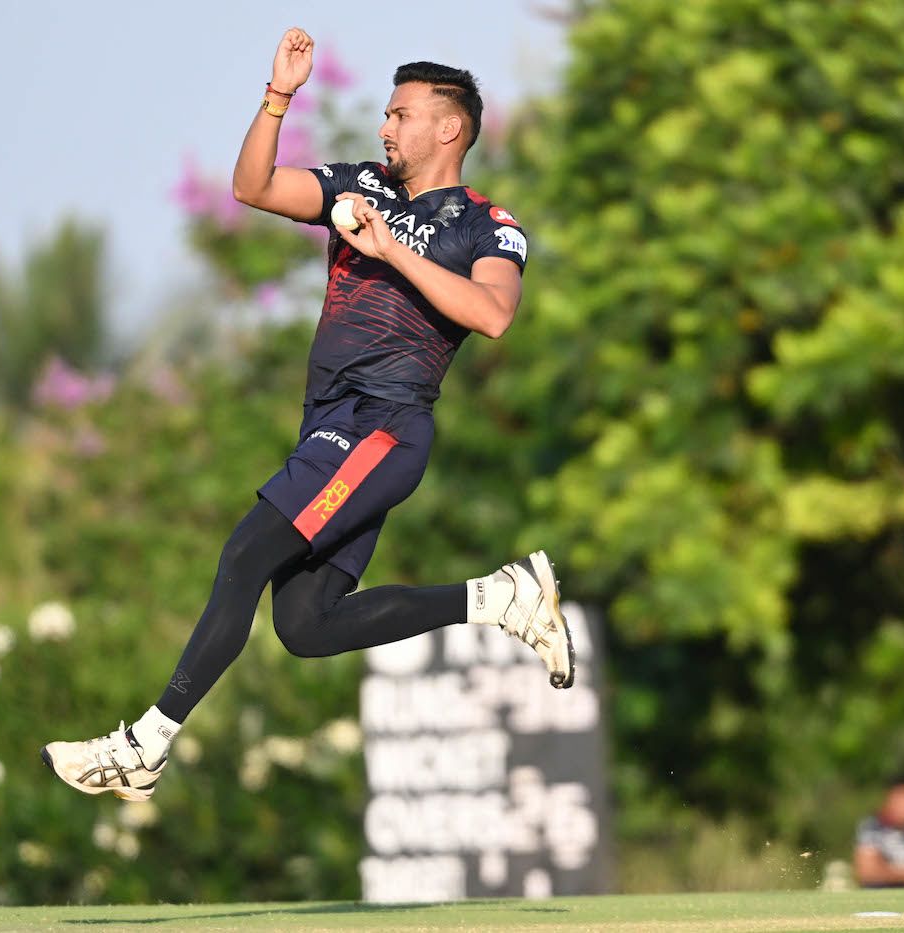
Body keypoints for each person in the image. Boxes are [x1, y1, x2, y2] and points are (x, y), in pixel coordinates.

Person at [41, 28, 573, 801]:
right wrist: (278, 97)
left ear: (449, 127)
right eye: (385, 114)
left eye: (400, 114)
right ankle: (498, 599)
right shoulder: (360, 185)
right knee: (307, 625)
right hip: (334, 426)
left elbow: (492, 315)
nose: (384, 127)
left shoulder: (487, 225)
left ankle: (145, 744)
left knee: (244, 555)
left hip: (383, 426)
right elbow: (253, 187)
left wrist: (393, 251)